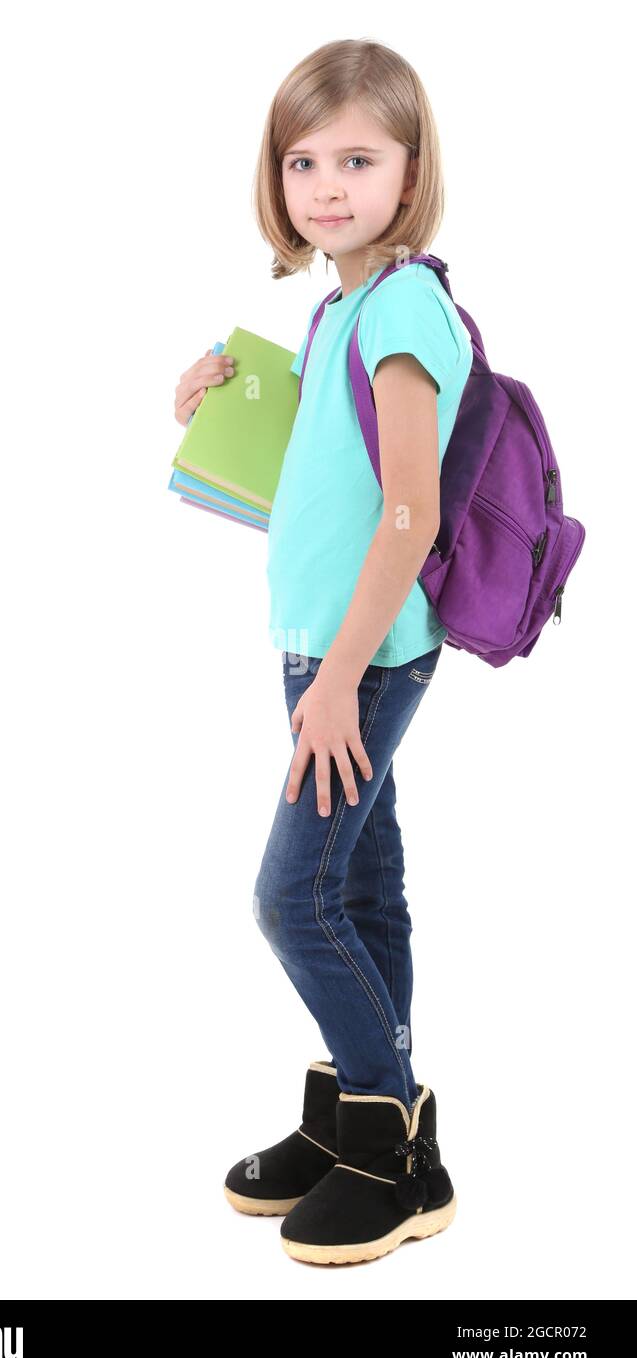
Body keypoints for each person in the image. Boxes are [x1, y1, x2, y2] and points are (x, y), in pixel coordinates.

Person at [173, 39, 472, 1266]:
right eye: (304, 160)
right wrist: (211, 395)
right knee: (357, 889)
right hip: (323, 647)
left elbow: (412, 509)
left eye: (358, 157)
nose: (327, 184)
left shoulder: (405, 306)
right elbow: (320, 467)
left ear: (410, 175)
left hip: (364, 654)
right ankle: (348, 1115)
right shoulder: (340, 303)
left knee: (290, 897)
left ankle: (397, 1154)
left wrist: (342, 675)